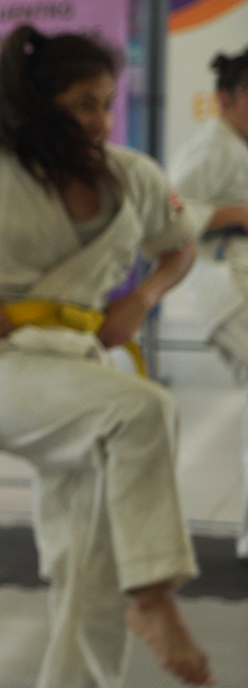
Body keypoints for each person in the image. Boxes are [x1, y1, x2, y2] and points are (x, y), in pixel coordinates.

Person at [0, 24, 214, 687]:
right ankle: (156, 596)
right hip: (3, 368)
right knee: (142, 412)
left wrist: (143, 300)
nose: (101, 119)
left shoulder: (132, 176)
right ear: (37, 102)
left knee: (91, 552)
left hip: (84, 366)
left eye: (107, 102)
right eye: (84, 102)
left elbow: (181, 244)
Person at [169, 44, 248, 562]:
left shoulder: (238, 145)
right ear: (225, 99)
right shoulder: (211, 145)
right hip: (223, 285)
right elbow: (172, 212)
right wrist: (239, 212)